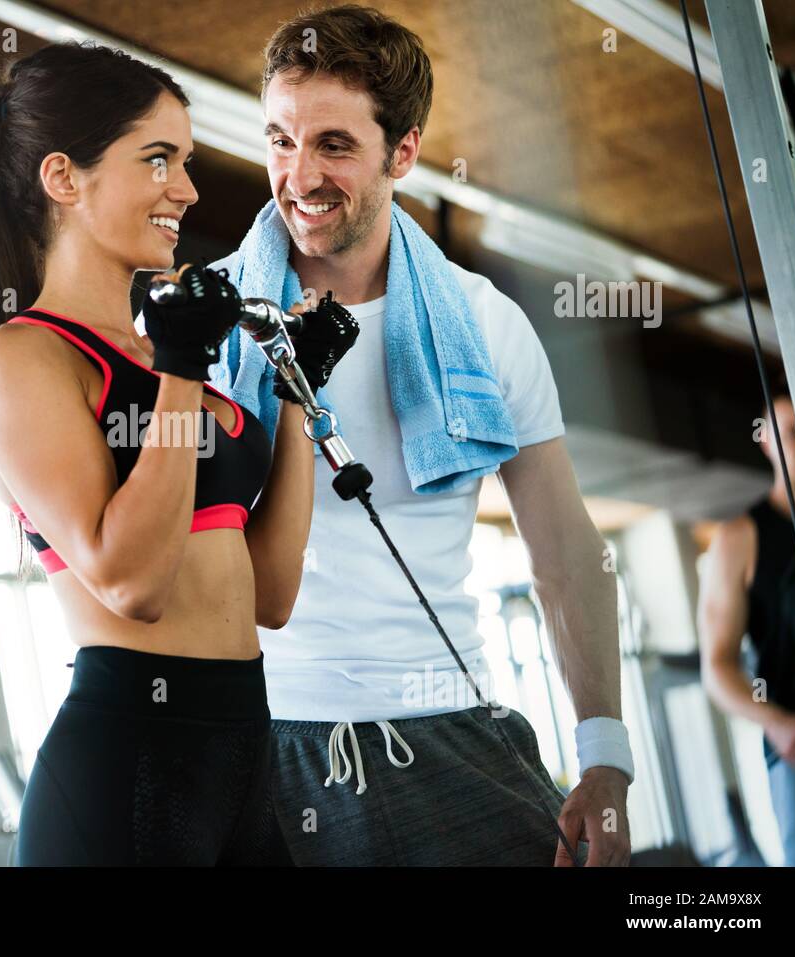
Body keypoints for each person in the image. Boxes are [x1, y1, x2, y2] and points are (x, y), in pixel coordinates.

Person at [173, 5, 633, 865]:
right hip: (260, 731)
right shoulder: (201, 319)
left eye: (334, 146)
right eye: (279, 139)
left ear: (405, 151)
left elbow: (567, 550)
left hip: (451, 726)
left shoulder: (486, 325)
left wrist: (605, 758)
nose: (297, 176)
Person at [0, 41, 360, 865]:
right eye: (159, 159)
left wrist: (294, 394)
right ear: (64, 179)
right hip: (125, 764)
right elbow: (132, 581)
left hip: (244, 757)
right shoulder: (24, 358)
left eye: (187, 161)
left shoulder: (172, 353)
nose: (188, 189)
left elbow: (271, 593)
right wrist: (178, 370)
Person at [700, 390, 795, 866]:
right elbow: (718, 666)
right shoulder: (741, 536)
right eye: (788, 433)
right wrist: (778, 723)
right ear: (765, 442)